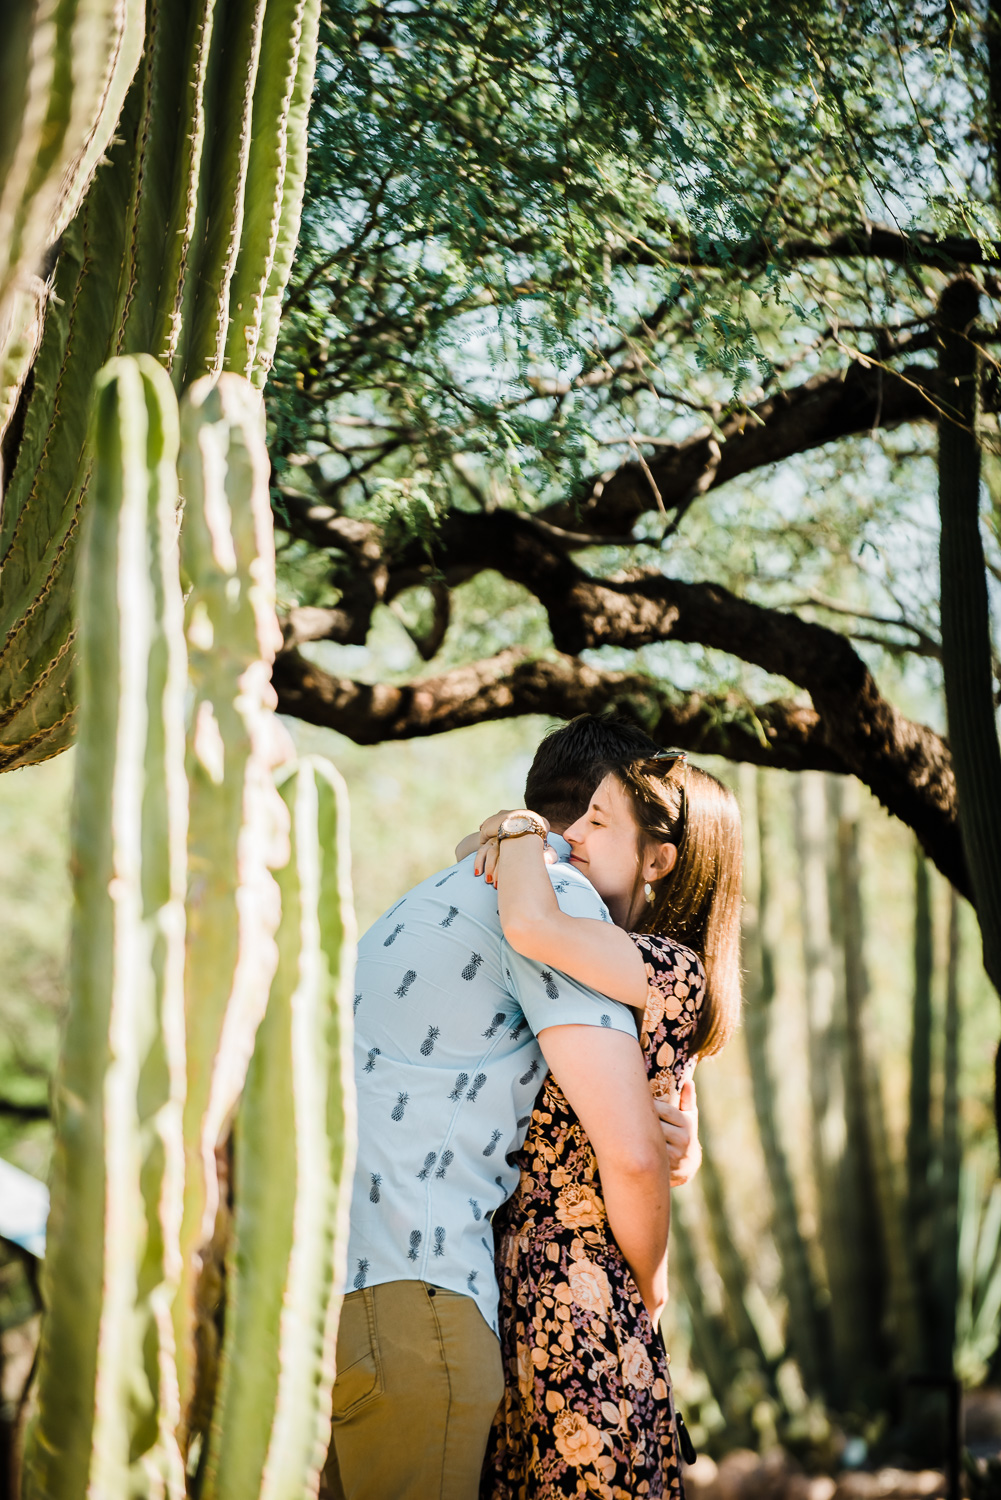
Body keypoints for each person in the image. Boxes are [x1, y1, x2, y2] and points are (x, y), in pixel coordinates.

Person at [321, 718, 704, 1500]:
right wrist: (653, 1294)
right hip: (420, 1300)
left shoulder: (448, 890)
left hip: (342, 1293)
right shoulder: (558, 901)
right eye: (593, 816)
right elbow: (629, 1157)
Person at [476, 752, 743, 1500]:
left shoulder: (663, 968)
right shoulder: (633, 969)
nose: (574, 835)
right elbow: (669, 1132)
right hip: (544, 1286)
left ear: (660, 858)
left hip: (578, 1289)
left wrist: (516, 829)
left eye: (597, 820)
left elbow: (529, 920)